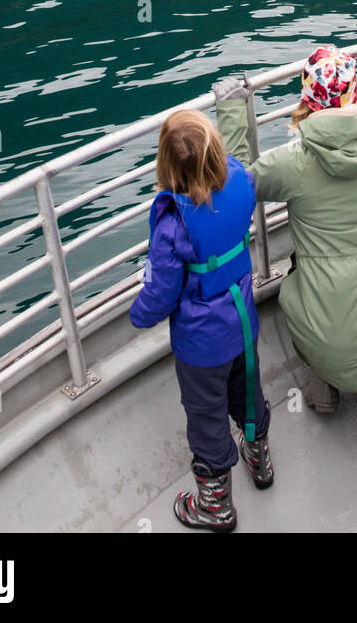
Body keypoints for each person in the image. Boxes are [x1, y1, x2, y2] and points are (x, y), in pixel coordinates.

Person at [214, 45, 357, 452]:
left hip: (328, 340)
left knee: (295, 284)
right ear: (355, 95)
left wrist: (235, 112)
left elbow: (234, 187)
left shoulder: (291, 163)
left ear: (308, 98)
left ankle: (324, 383)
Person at [129, 108, 272, 533]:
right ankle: (260, 461)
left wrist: (138, 317)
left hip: (201, 347)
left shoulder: (172, 226)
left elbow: (160, 294)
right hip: (244, 321)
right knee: (249, 392)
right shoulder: (242, 183)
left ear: (166, 165)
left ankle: (215, 507)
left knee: (206, 417)